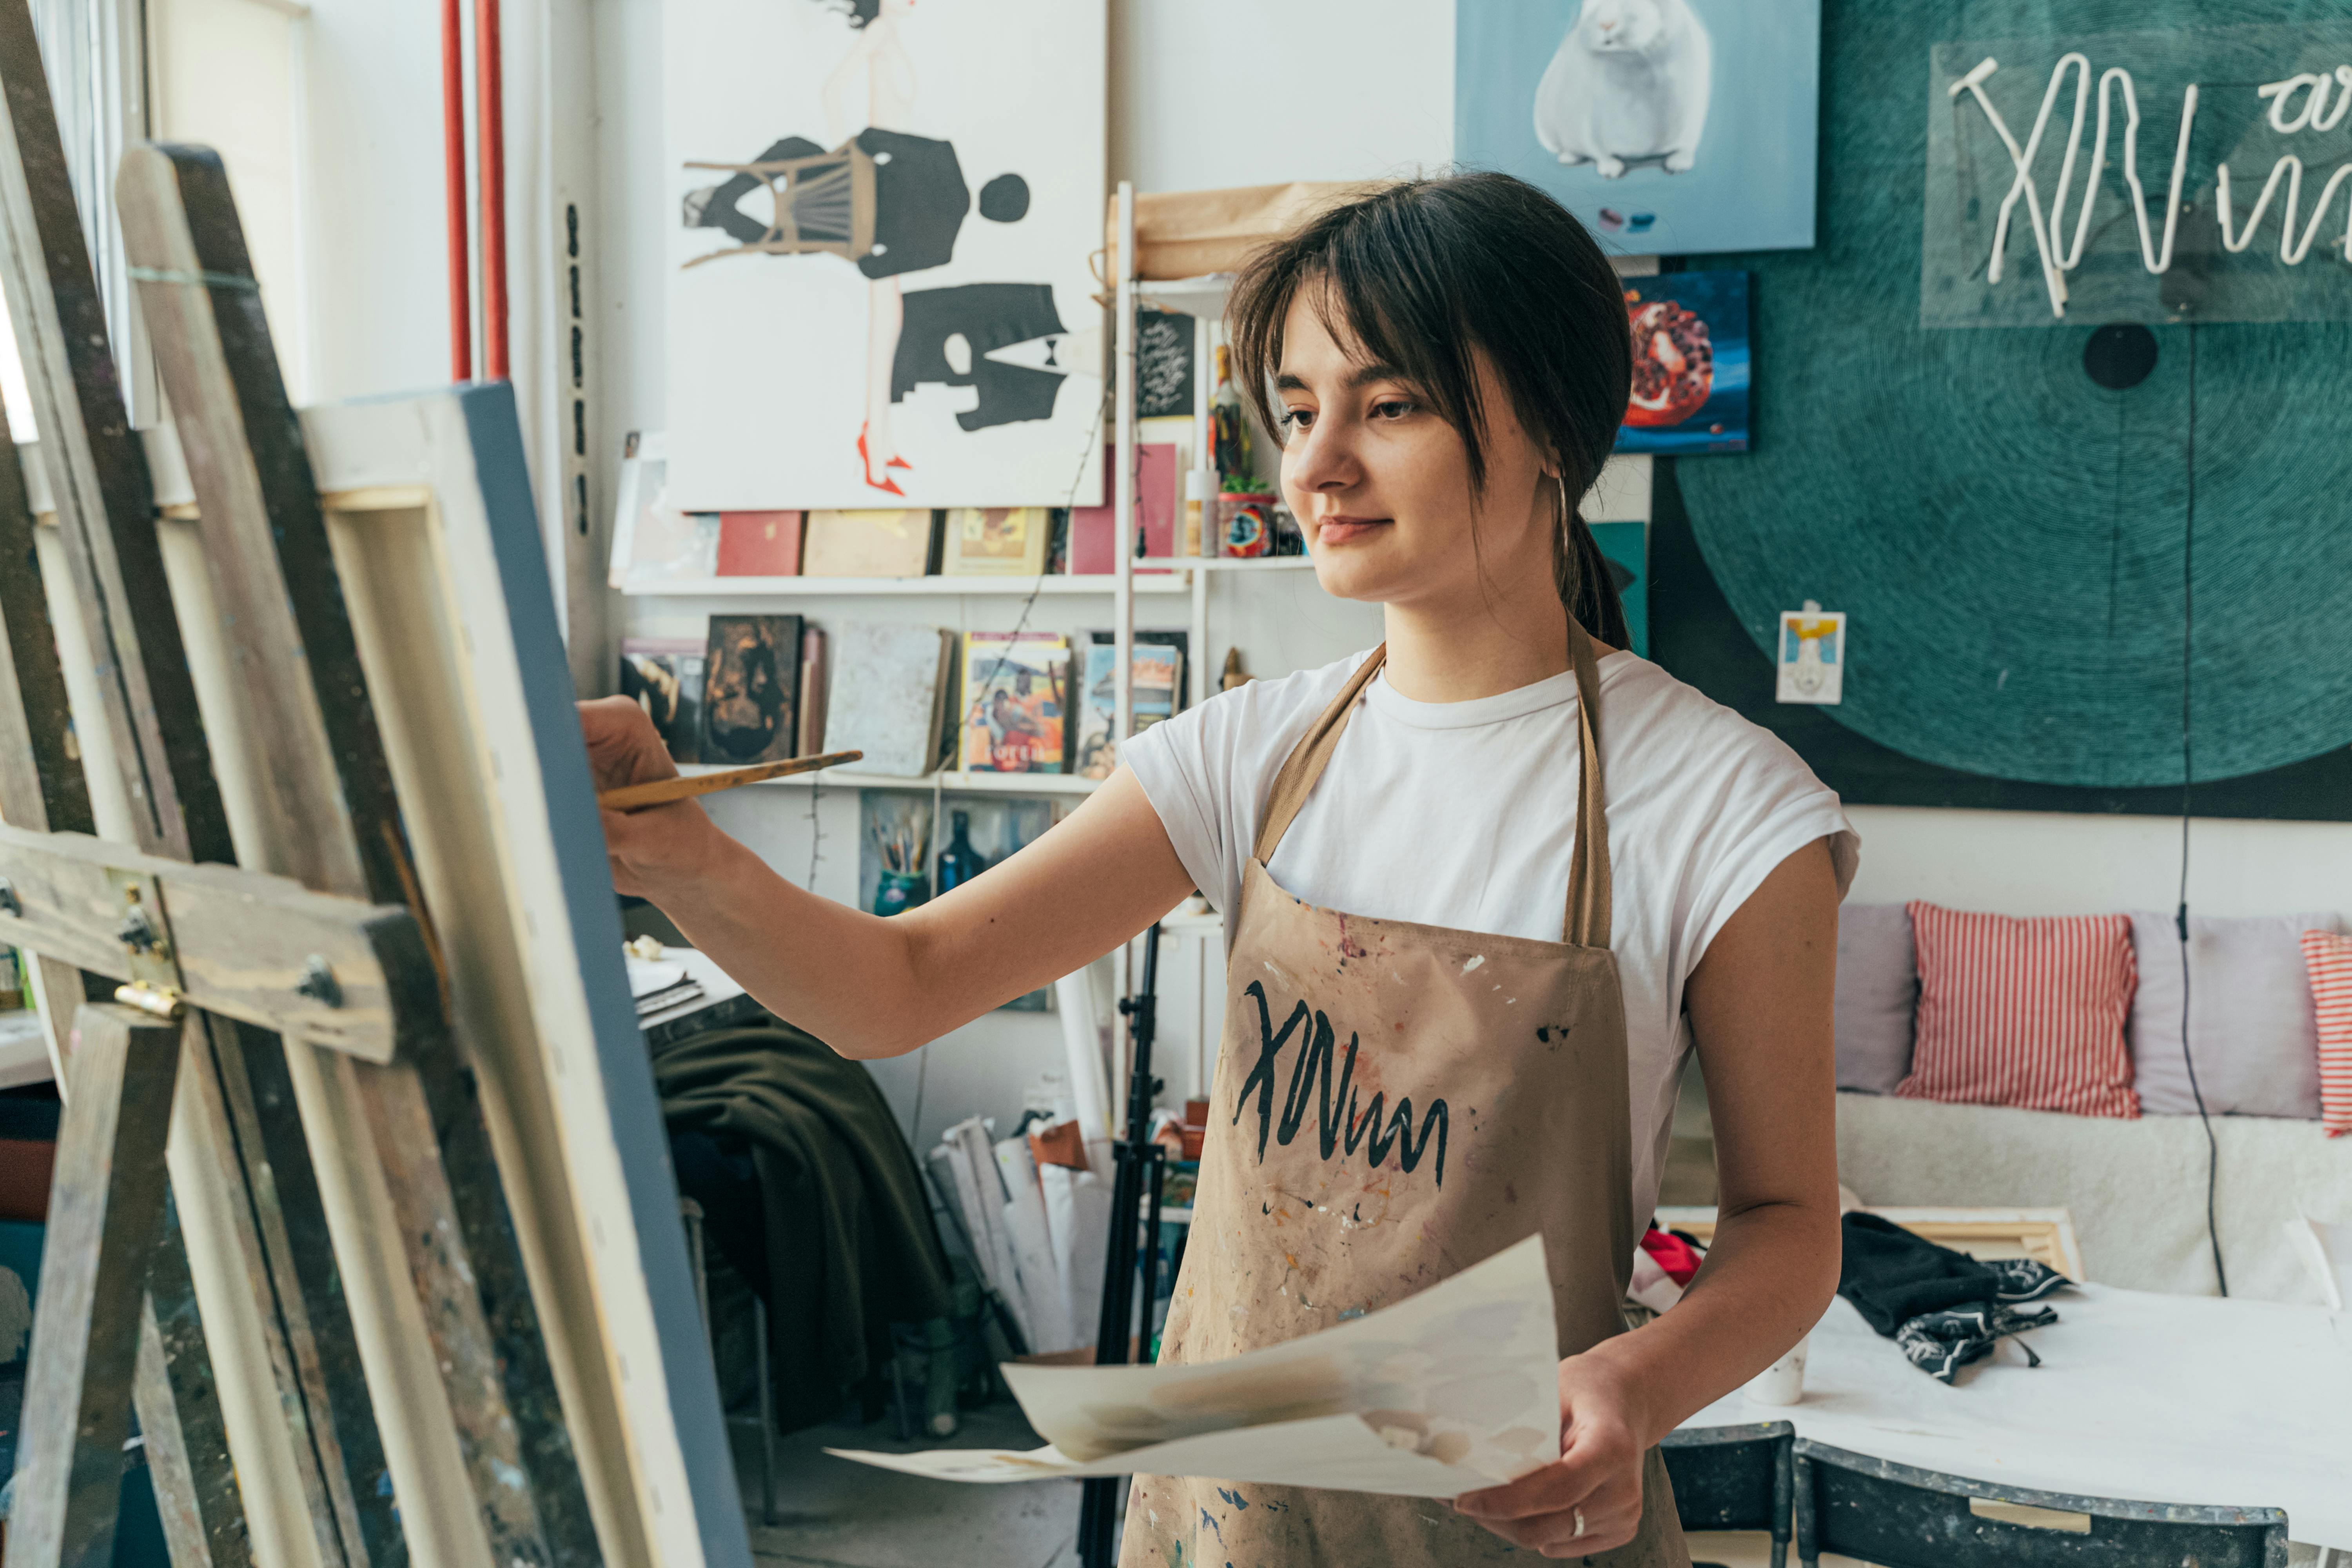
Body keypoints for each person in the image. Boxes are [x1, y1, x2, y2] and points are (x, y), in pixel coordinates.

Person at [587, 171, 1853, 1566]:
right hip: (1227, 1516)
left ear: (1552, 421)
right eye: (1299, 410)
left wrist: (1640, 1379)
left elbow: (1787, 1226)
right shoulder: (1243, 754)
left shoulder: (1729, 810)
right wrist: (685, 856)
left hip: (1522, 1518)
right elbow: (899, 989)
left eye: (1390, 406)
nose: (1314, 466)